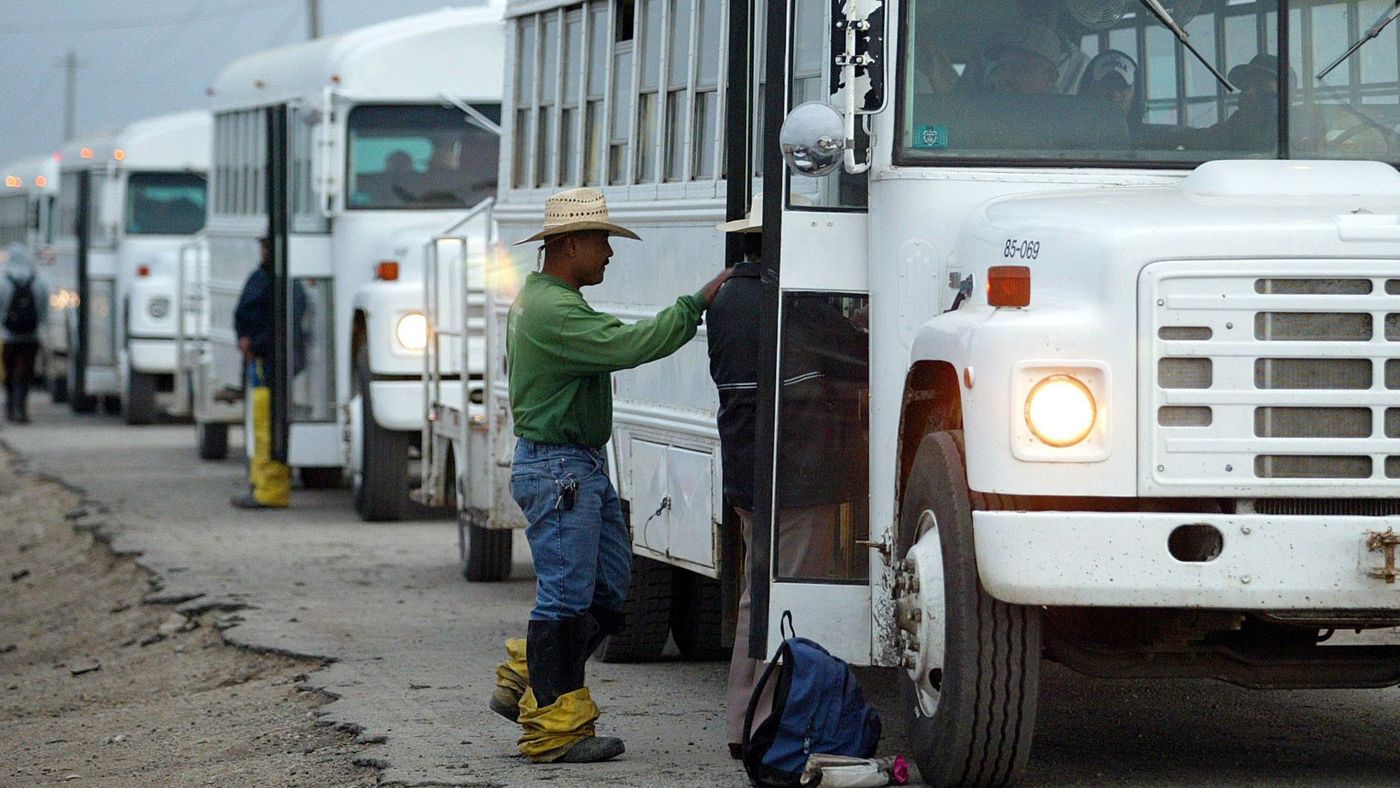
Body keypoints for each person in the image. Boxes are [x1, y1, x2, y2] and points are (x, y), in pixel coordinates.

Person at [488, 187, 733, 765]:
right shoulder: (553, 310)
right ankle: (557, 730)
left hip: (575, 466)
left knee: (605, 593)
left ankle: (528, 676)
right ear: (569, 244)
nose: (609, 254)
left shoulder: (549, 299)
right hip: (561, 469)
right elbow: (629, 345)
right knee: (568, 600)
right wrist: (694, 303)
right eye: (601, 242)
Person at [706, 195, 869, 758]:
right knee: (793, 602)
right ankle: (767, 725)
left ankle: (741, 718)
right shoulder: (792, 303)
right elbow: (860, 358)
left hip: (748, 477)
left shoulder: (726, 301)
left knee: (757, 596)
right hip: (796, 479)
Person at [230, 237, 291, 509]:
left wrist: (253, 343)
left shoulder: (280, 283)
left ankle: (270, 491)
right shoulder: (265, 277)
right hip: (259, 358)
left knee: (266, 428)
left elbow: (279, 323)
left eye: (266, 247)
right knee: (260, 428)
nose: (263, 252)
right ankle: (261, 486)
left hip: (267, 361)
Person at [0, 243, 50, 423]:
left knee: (9, 372)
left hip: (8, 337)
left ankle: (11, 405)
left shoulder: (3, 282)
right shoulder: (38, 282)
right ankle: (21, 407)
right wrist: (43, 330)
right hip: (31, 336)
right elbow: (44, 310)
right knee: (26, 373)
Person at [1079, 49, 1143, 125]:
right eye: (1107, 85)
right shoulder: (1072, 134)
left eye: (1122, 86)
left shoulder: (1149, 136)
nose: (1114, 94)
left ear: (1136, 95)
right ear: (1088, 89)